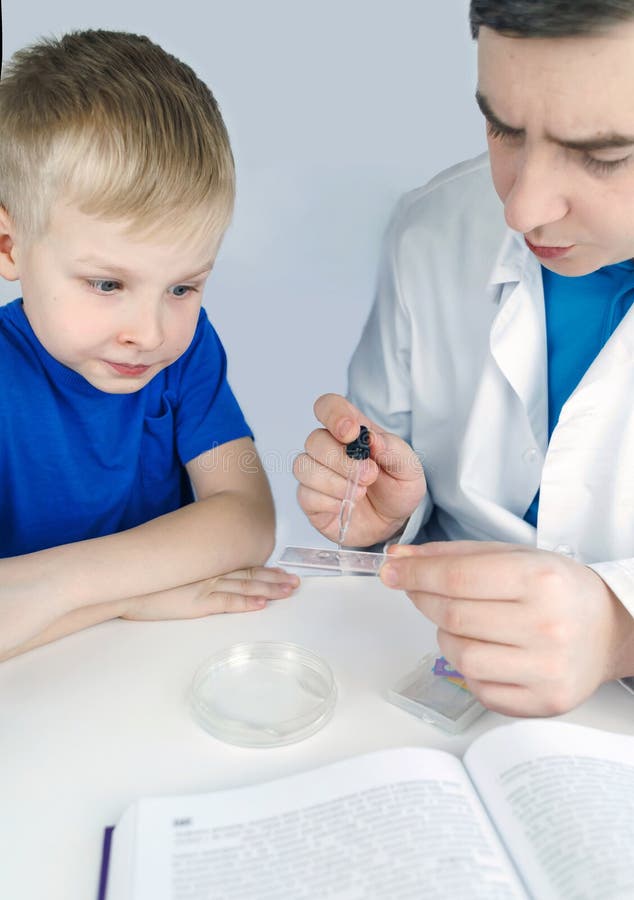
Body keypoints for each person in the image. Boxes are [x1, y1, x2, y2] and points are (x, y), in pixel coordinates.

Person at [294, 0, 634, 717]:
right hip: (426, 681)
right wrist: (386, 514)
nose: (521, 209)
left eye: (603, 154)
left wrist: (620, 634)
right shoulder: (431, 231)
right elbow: (385, 486)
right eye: (503, 128)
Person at [0, 30, 299, 662]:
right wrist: (133, 596)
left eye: (183, 287)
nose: (152, 332)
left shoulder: (187, 353)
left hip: (161, 663)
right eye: (108, 283)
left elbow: (246, 515)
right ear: (9, 246)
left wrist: (60, 590)